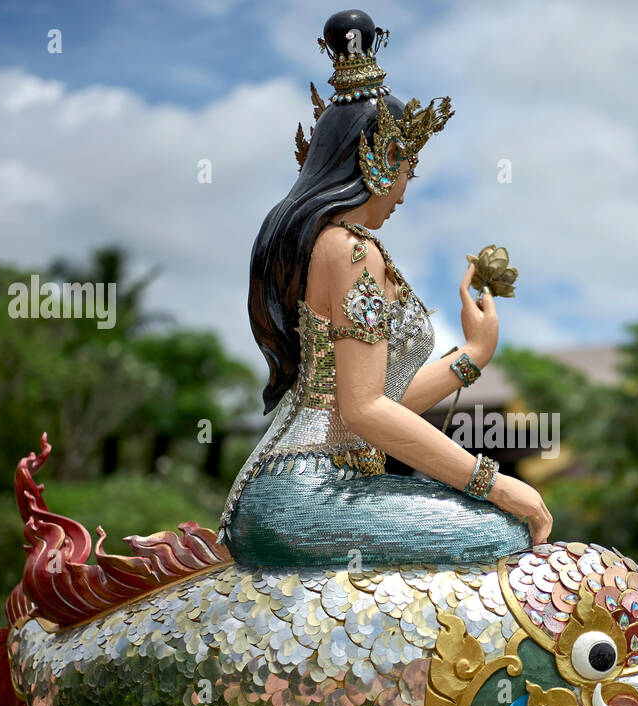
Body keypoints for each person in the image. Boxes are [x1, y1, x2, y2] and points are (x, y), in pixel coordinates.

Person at [218, 9, 551, 568]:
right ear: (378, 160)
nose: (403, 192)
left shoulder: (323, 247)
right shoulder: (350, 249)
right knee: (501, 532)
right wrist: (495, 483)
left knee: (496, 525)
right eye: (408, 170)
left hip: (291, 490)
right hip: (306, 495)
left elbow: (362, 405)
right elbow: (367, 410)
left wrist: (473, 355)